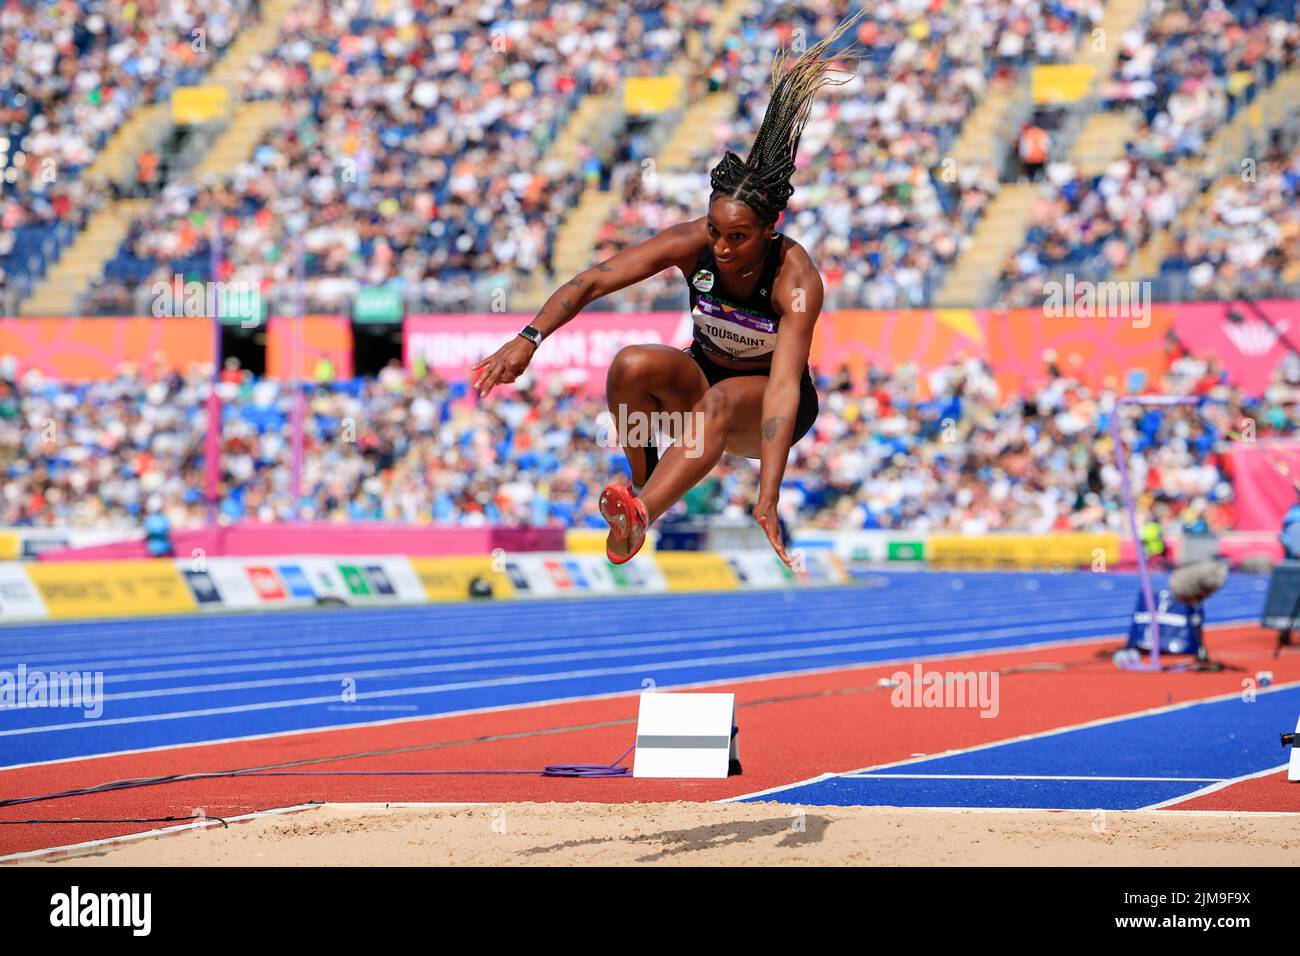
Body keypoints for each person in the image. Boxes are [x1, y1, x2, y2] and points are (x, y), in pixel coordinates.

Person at [472, 11, 866, 564]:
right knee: (631, 364)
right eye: (715, 231)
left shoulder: (796, 280)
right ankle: (642, 490)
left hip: (769, 414)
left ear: (770, 228)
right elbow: (595, 280)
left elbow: (782, 391)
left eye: (739, 237)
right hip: (701, 385)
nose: (723, 248)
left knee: (727, 398)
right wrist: (529, 338)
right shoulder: (692, 244)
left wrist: (768, 496)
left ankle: (644, 511)